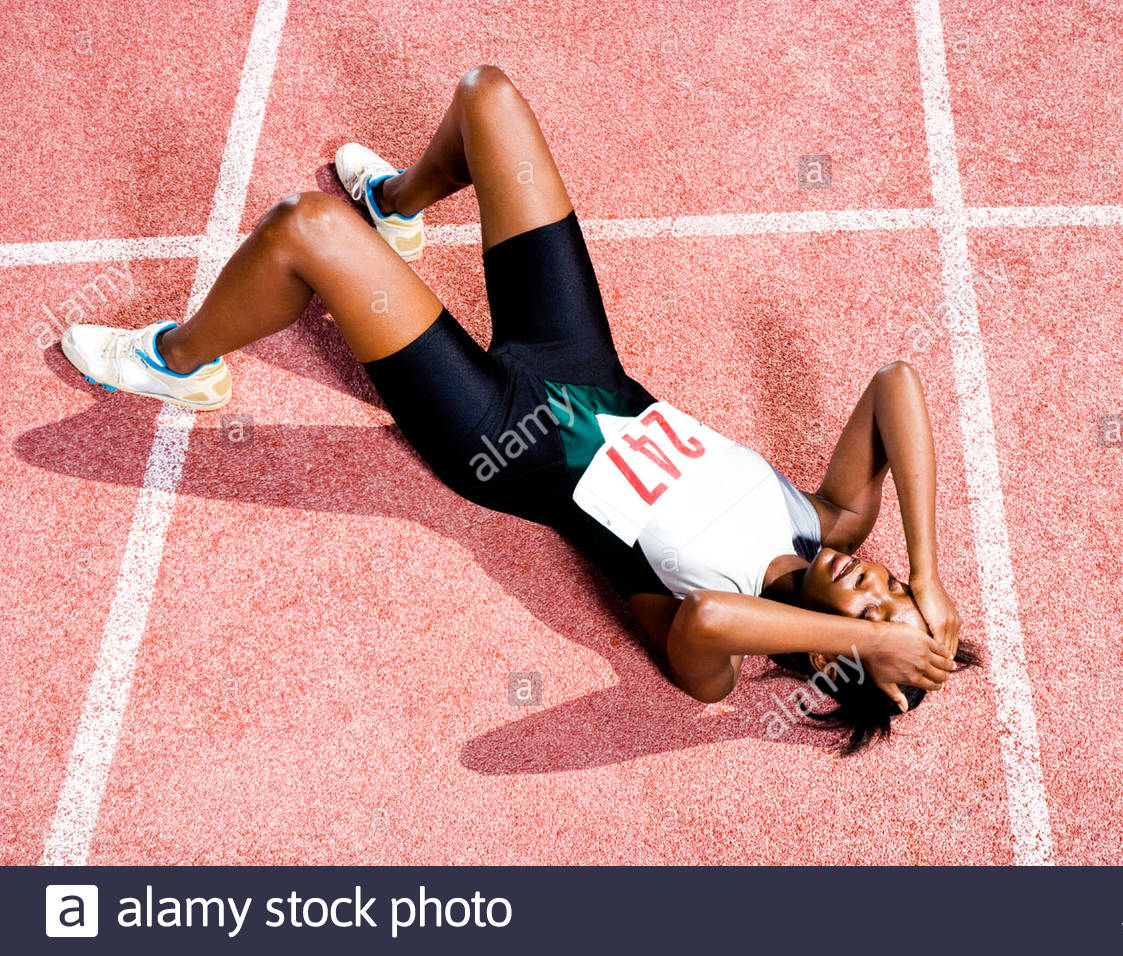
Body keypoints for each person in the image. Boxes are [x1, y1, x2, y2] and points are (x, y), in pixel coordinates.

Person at [59, 66, 978, 754]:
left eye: (875, 615)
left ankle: (177, 361)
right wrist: (929, 579)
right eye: (891, 587)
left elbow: (706, 635)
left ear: (831, 660)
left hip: (497, 433)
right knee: (487, 96)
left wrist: (863, 646)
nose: (877, 583)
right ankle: (397, 204)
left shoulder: (720, 644)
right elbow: (896, 381)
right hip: (578, 359)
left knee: (303, 227)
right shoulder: (826, 518)